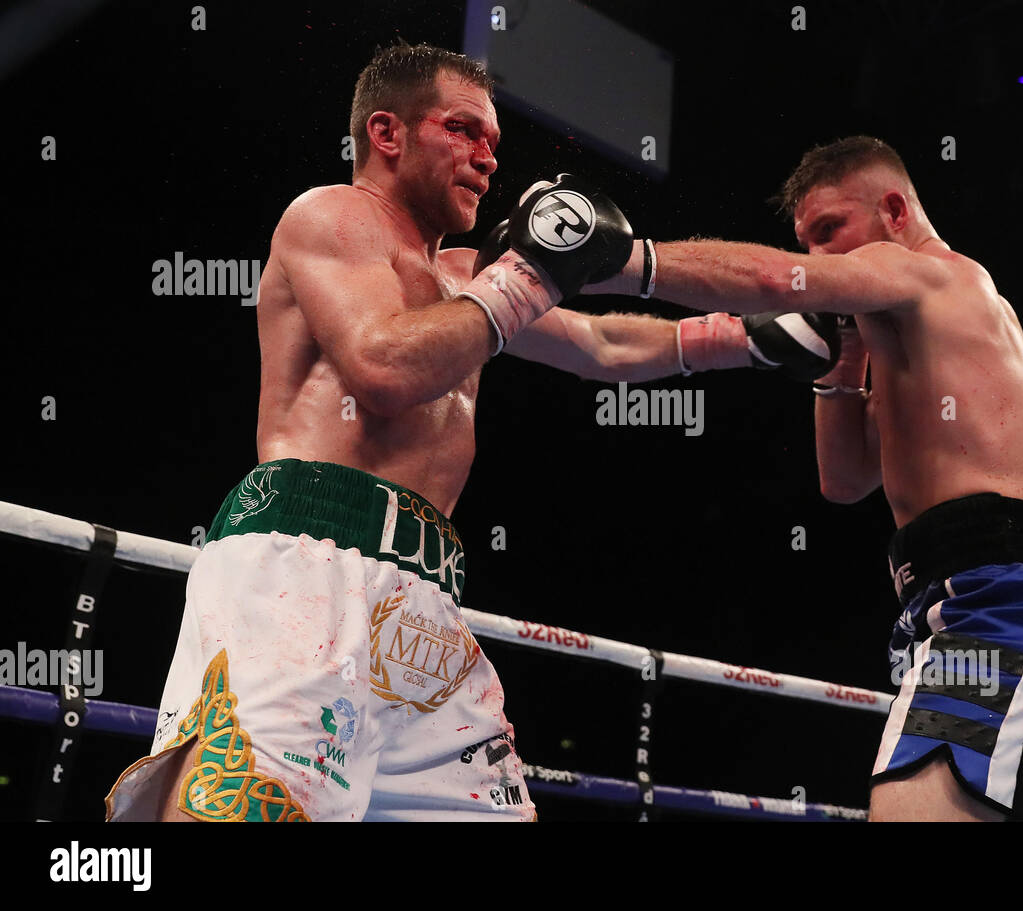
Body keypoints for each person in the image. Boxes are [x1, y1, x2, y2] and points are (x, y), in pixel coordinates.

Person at [103, 43, 838, 822]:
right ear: (386, 133)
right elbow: (382, 368)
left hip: (425, 595)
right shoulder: (333, 216)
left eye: (494, 142)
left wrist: (750, 338)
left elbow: (602, 345)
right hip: (306, 563)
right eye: (463, 130)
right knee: (254, 812)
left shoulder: (465, 277)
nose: (488, 158)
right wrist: (527, 273)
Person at [585, 136, 1023, 821]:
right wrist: (843, 356)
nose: (818, 260)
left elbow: (774, 280)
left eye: (830, 232)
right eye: (806, 241)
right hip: (941, 602)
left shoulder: (937, 276)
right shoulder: (904, 338)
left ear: (892, 210)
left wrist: (624, 258)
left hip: (1000, 595)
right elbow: (845, 480)